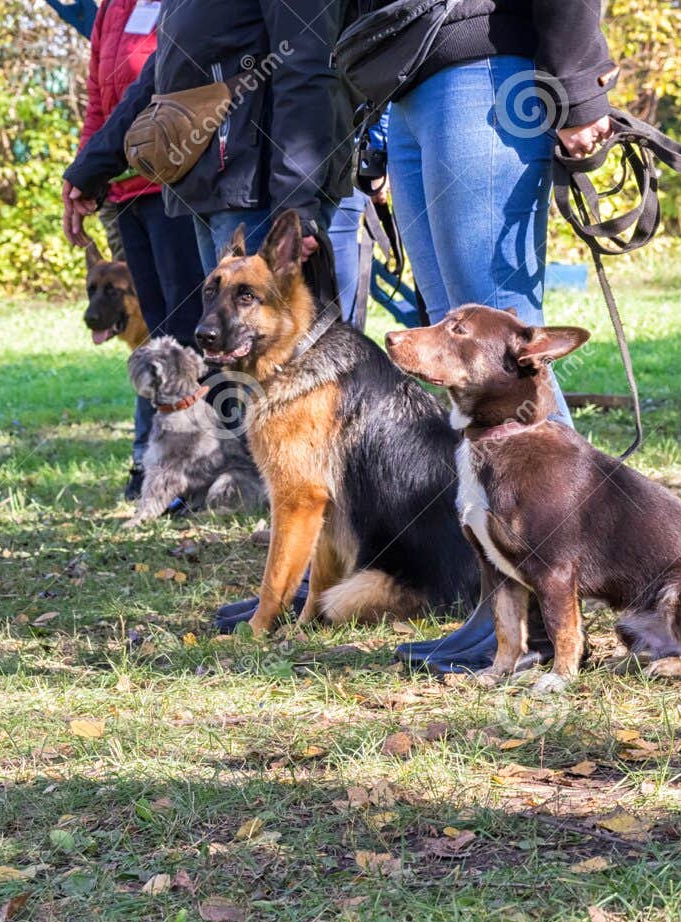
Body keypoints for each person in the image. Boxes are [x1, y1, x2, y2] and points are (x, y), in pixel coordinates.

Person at [386, 2, 618, 675]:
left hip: (482, 72)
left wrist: (577, 84)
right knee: (455, 340)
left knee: (504, 346)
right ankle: (506, 617)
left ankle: (553, 617)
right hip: (407, 80)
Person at [61, 0, 357, 316]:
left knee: (262, 343)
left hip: (262, 191)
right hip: (210, 183)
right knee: (225, 342)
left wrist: (293, 208)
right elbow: (161, 71)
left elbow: (306, 68)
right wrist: (94, 164)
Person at [64, 0, 206, 500]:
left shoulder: (180, 6)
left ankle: (194, 472)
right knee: (154, 339)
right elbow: (98, 108)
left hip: (175, 187)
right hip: (123, 196)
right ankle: (153, 462)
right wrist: (83, 177)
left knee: (186, 332)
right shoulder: (112, 10)